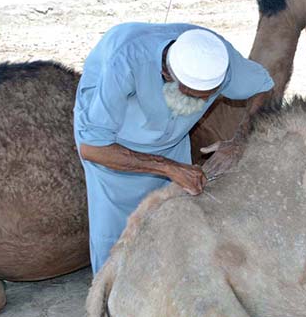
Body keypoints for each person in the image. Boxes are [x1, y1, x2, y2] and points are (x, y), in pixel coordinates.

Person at [74, 24, 274, 273]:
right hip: (113, 144)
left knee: (173, 222)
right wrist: (170, 168)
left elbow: (264, 87)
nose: (202, 102)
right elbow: (93, 148)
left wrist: (239, 140)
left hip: (172, 141)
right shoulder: (125, 61)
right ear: (168, 75)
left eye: (208, 96)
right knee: (115, 240)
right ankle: (110, 305)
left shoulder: (219, 58)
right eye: (192, 95)